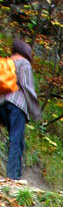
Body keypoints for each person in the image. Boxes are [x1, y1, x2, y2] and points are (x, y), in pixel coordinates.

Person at [0, 38, 41, 181]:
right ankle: (12, 177)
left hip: (2, 104)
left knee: (16, 140)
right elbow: (27, 87)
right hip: (17, 105)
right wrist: (35, 111)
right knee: (16, 140)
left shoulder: (6, 63)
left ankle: (15, 174)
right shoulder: (24, 63)